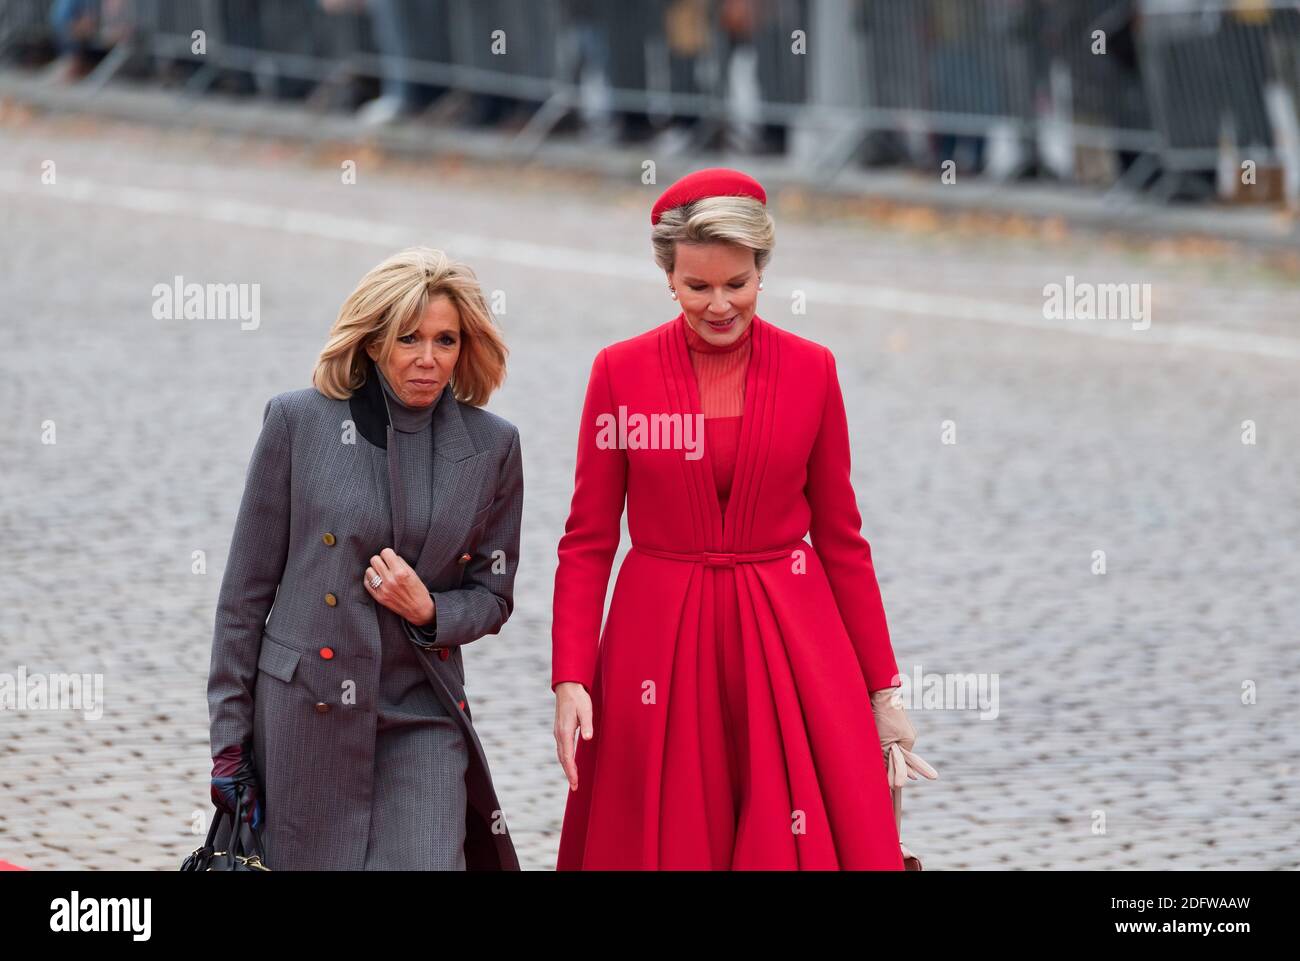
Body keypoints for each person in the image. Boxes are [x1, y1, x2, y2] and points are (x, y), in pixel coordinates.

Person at [551, 167, 936, 869]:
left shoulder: (813, 370)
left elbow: (844, 540)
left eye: (738, 283)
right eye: (698, 286)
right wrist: (572, 676)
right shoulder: (619, 371)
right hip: (656, 641)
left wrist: (883, 690)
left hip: (789, 638)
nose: (719, 303)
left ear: (763, 271)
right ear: (669, 277)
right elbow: (588, 539)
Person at [207, 247, 522, 870]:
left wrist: (430, 608)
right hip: (306, 713)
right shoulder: (298, 422)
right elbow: (243, 597)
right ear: (373, 341)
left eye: (446, 340)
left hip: (420, 711)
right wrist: (229, 745)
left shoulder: (492, 447)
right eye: (408, 338)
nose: (428, 360)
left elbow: (494, 594)